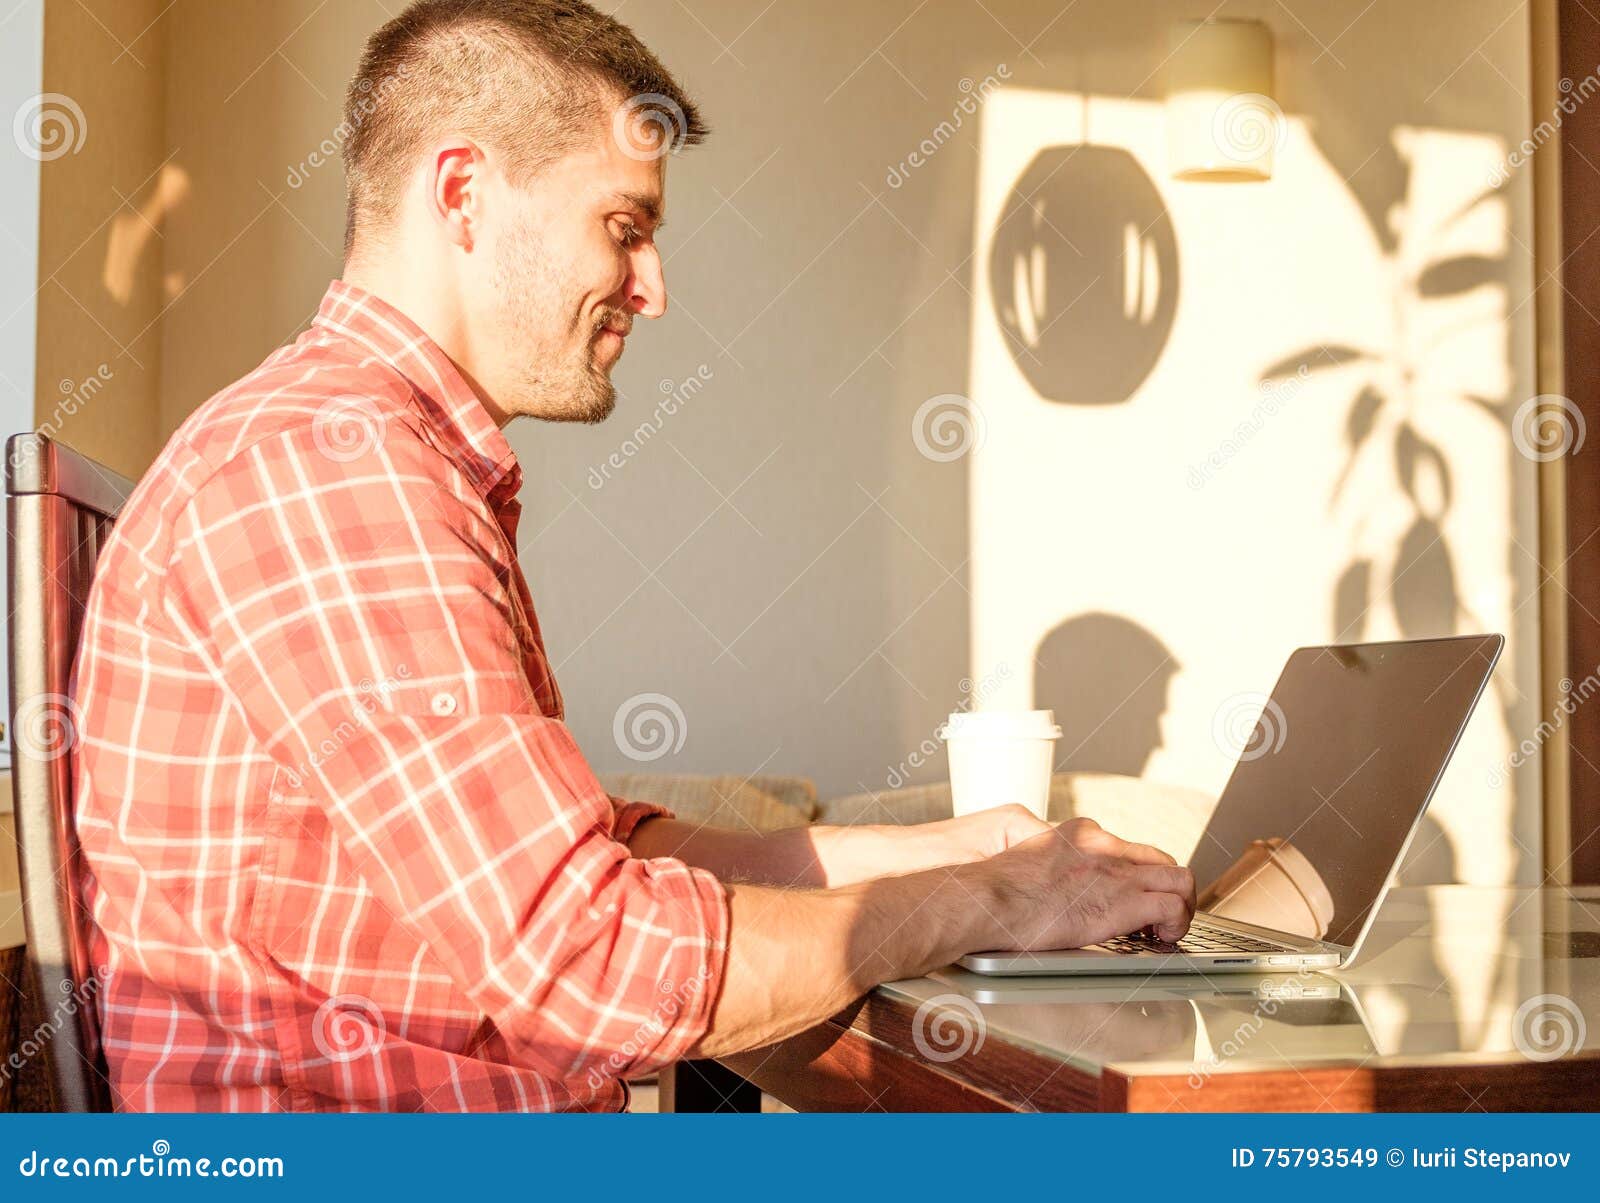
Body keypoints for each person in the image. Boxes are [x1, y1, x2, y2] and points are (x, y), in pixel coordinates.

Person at [72, 0, 1194, 1112]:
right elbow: (591, 964)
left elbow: (587, 856)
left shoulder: (365, 455)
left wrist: (938, 854)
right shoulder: (330, 471)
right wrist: (990, 900)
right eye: (624, 226)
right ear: (461, 193)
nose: (654, 290)